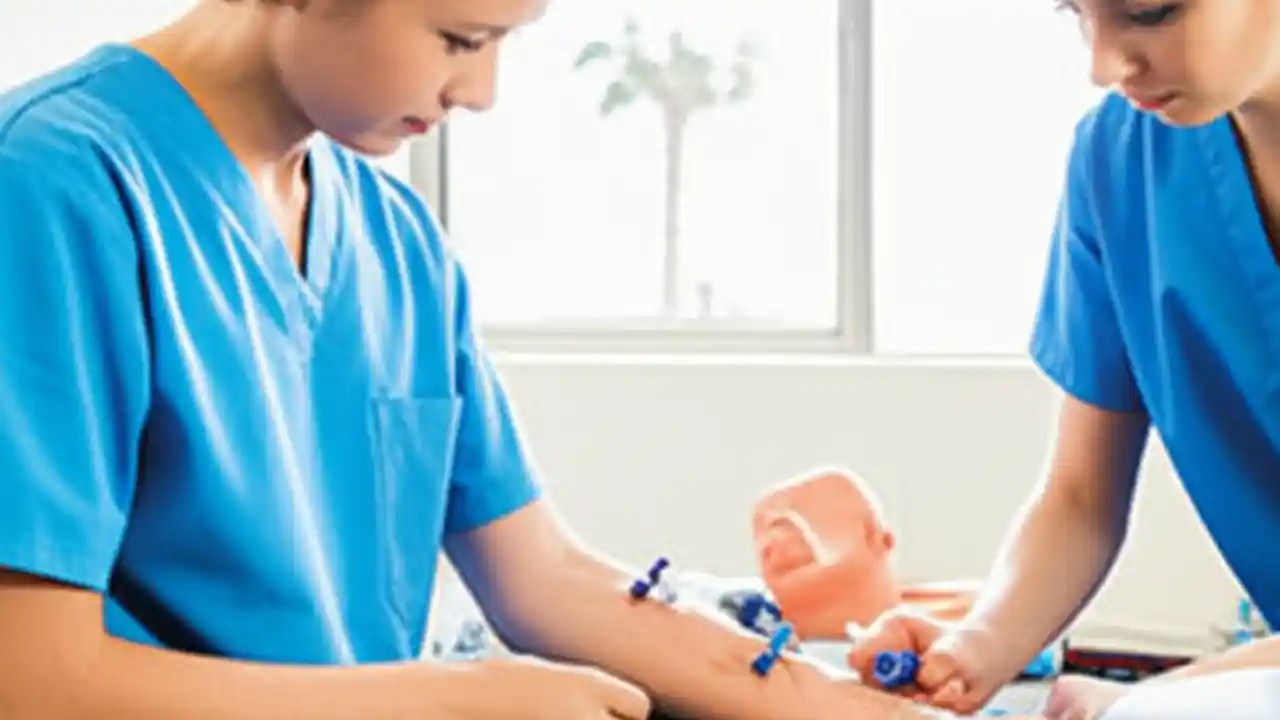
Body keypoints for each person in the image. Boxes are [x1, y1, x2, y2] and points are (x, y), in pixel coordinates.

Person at [0, 1, 939, 718]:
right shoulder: (49, 186)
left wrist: (840, 705)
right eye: (458, 39)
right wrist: (448, 702)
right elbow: (29, 677)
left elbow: (546, 579)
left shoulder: (397, 240)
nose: (480, 92)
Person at [848, 0, 1280, 717]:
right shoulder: (1120, 162)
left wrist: (1164, 695)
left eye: (1148, 12)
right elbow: (1080, 498)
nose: (1103, 66)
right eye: (1077, 13)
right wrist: (979, 643)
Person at [753, 468, 976, 639]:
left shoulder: (965, 617)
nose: (777, 540)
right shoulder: (750, 626)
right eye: (772, 528)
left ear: (884, 541)